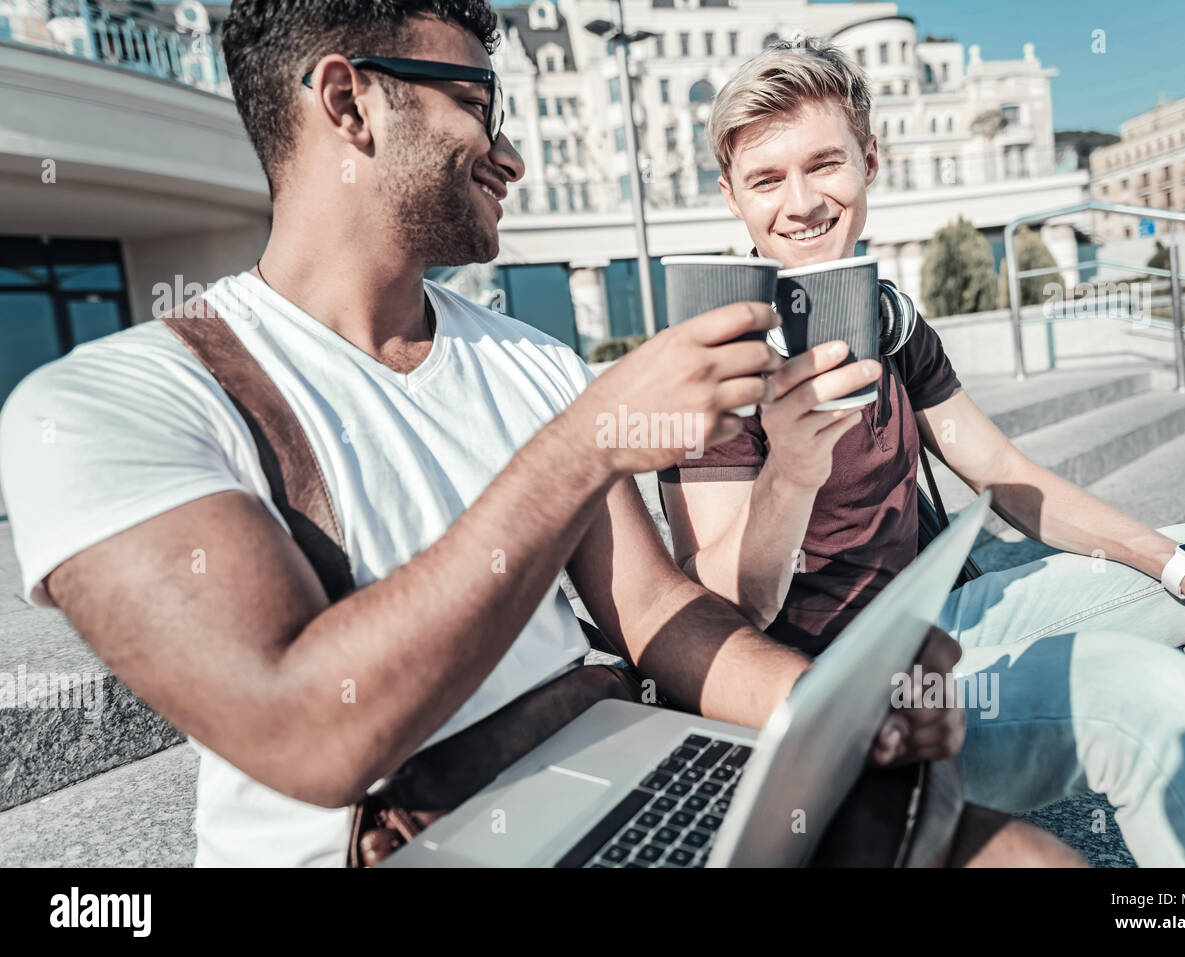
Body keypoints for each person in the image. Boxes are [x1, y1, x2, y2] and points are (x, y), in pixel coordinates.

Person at [0, 2, 1078, 867]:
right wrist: (585, 441)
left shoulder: (529, 360)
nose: (508, 153)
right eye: (477, 102)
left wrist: (832, 710)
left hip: (621, 770)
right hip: (407, 841)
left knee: (1026, 859)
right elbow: (305, 734)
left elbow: (658, 616)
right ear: (348, 101)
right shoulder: (109, 405)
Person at [659, 37, 1185, 867]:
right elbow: (728, 610)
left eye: (826, 164)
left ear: (870, 163)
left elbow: (1007, 475)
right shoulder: (710, 359)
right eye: (767, 179)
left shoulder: (888, 319)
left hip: (937, 620)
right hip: (841, 692)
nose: (803, 201)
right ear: (732, 198)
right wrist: (788, 469)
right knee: (1143, 691)